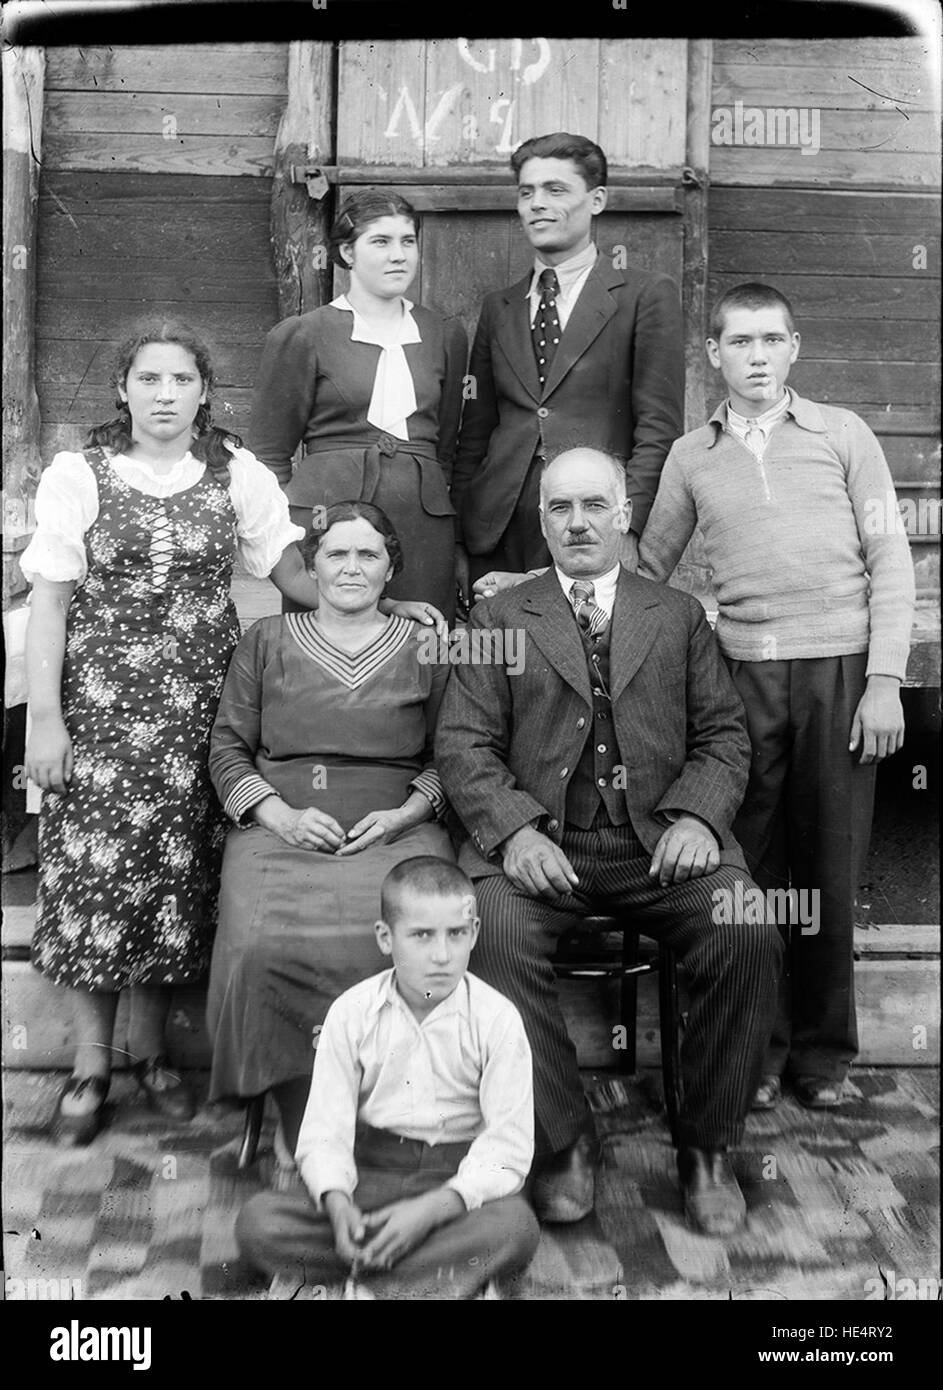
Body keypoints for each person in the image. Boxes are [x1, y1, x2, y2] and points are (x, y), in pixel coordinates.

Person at [435, 447, 782, 1237]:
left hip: (659, 847)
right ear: (541, 522)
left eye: (594, 505)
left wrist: (696, 818)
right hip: (542, 846)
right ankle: (563, 1144)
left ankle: (706, 1145)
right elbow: (462, 744)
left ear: (624, 515)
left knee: (747, 928)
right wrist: (516, 831)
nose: (578, 522)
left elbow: (724, 736)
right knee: (486, 932)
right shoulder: (496, 619)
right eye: (560, 508)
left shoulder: (677, 614)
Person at [21, 317, 320, 1146]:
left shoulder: (235, 474)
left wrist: (360, 593)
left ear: (202, 392)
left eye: (180, 380)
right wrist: (45, 724)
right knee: (93, 880)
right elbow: (49, 600)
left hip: (199, 712)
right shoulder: (81, 475)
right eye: (148, 379)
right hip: (101, 712)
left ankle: (152, 1056)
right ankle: (91, 1065)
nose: (163, 394)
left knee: (172, 878)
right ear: (123, 389)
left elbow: (286, 567)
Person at [637, 283, 916, 1112]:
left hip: (839, 672)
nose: (755, 357)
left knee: (827, 865)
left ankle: (824, 1056)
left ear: (794, 347)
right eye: (738, 343)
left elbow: (889, 559)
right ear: (713, 355)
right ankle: (752, 1049)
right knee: (746, 870)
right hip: (740, 679)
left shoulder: (842, 434)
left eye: (770, 340)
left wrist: (883, 683)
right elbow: (651, 570)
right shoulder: (692, 456)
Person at [206, 502, 457, 1147]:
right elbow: (228, 746)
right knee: (264, 944)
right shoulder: (266, 639)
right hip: (280, 827)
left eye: (368, 554)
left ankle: (388, 1104)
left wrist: (406, 813)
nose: (351, 567)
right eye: (335, 554)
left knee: (405, 935)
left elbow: (455, 753)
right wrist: (280, 815)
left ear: (390, 569)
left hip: (395, 825)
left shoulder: (429, 646)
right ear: (309, 567)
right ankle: (297, 1103)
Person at [235, 856, 539, 1300]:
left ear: (474, 932)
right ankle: (417, 1275)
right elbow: (325, 1131)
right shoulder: (351, 1013)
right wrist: (339, 1207)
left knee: (516, 1226)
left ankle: (373, 1282)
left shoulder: (497, 1019)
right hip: (371, 1175)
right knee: (259, 1223)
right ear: (385, 937)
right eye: (421, 935)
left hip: (455, 1182)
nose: (441, 955)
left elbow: (507, 1146)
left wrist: (434, 1210)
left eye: (456, 934)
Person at [451, 131, 684, 601]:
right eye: (526, 192)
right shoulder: (500, 307)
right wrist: (458, 535)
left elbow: (659, 429)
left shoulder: (644, 296)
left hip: (590, 527)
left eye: (556, 190)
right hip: (497, 531)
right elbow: (475, 431)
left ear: (596, 200)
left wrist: (627, 526)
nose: (537, 203)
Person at [248, 190, 467, 622]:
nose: (398, 255)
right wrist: (288, 542)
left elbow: (446, 447)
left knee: (422, 651)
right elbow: (268, 457)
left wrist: (454, 539)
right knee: (330, 649)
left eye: (408, 241)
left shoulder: (445, 334)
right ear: (347, 252)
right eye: (380, 242)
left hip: (424, 523)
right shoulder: (303, 334)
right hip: (328, 517)